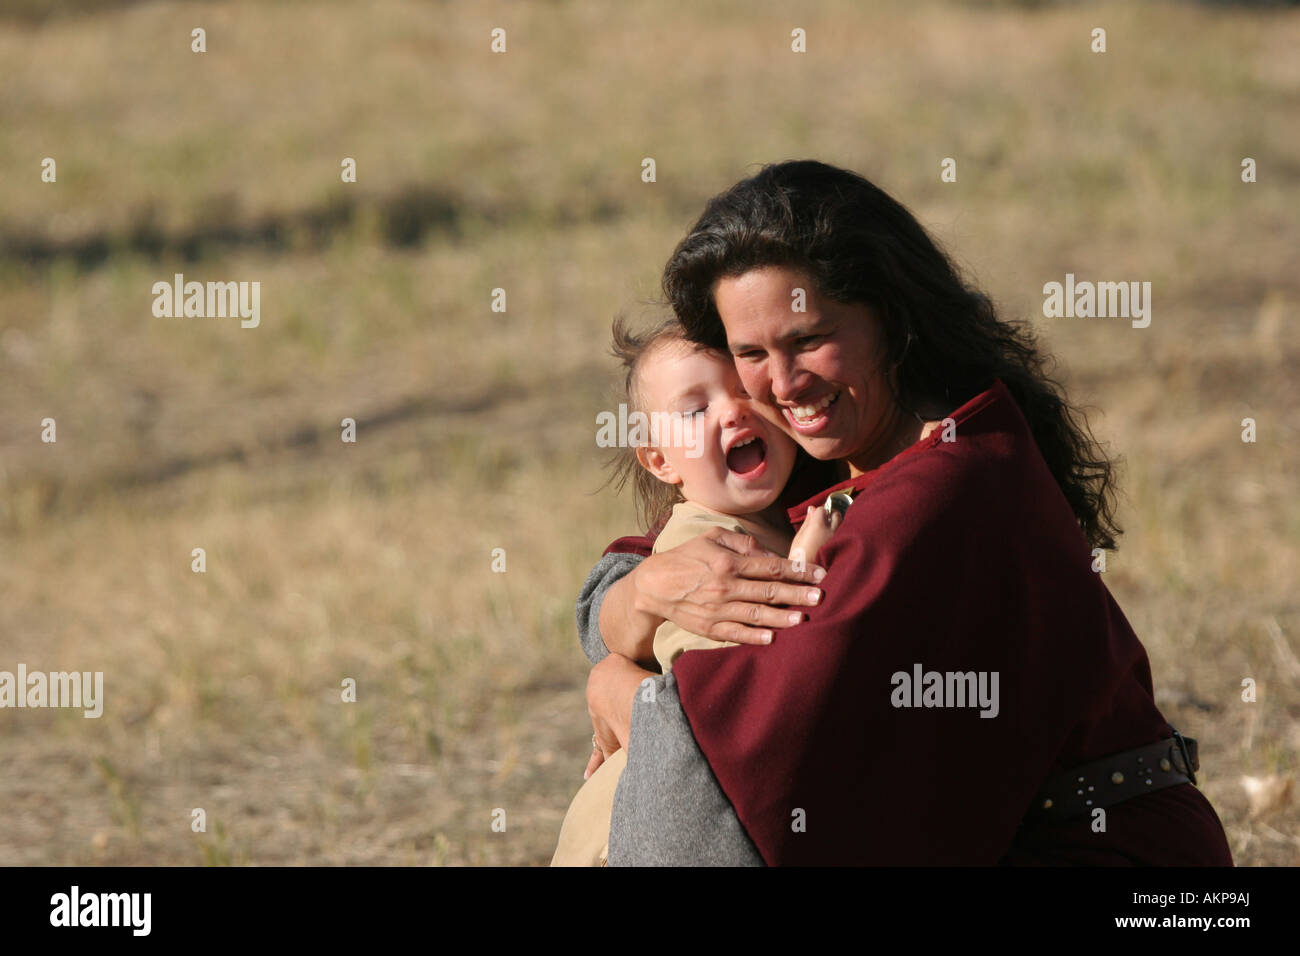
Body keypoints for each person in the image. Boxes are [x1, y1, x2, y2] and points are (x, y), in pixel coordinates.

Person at [577, 160, 1233, 865]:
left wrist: (623, 690)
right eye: (749, 354)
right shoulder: (841, 446)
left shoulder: (942, 491)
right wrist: (635, 600)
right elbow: (648, 571)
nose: (782, 383)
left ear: (890, 316)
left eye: (807, 339)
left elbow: (749, 740)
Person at [552, 316, 844, 866]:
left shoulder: (774, 518)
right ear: (660, 461)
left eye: (742, 391)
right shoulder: (699, 548)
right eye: (695, 409)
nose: (731, 410)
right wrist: (802, 568)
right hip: (636, 834)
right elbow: (722, 702)